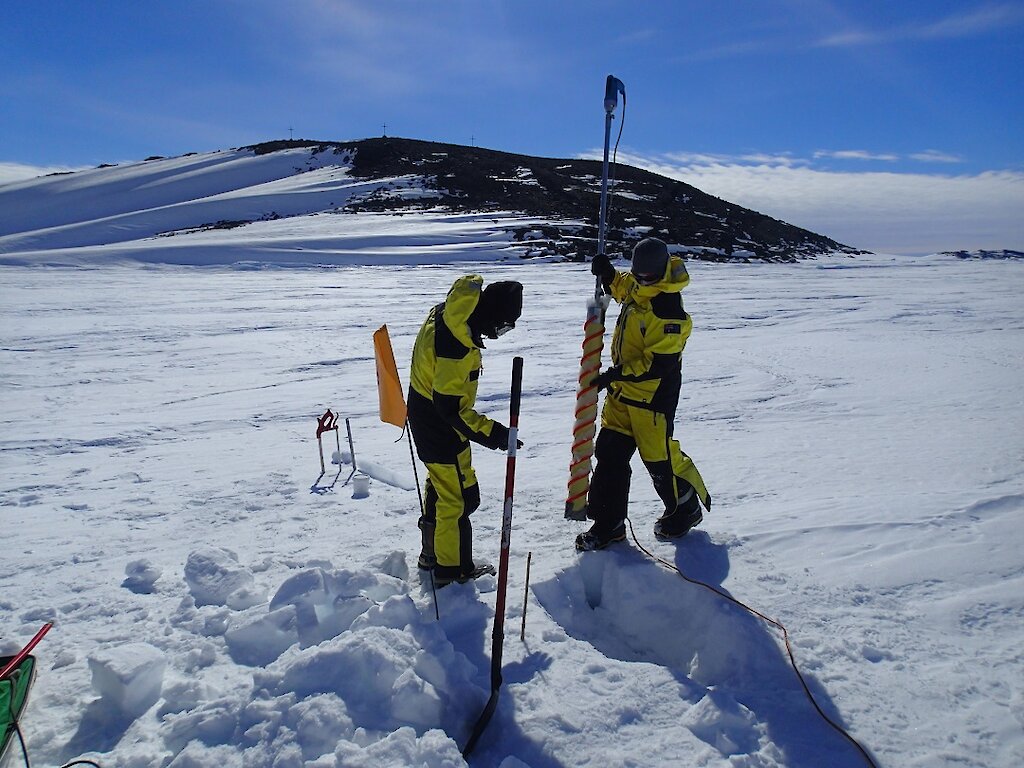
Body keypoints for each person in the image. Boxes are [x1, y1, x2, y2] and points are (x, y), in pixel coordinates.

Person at [576, 237, 711, 551]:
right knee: (609, 454)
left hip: (652, 400)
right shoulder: (638, 285)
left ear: (662, 271)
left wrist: (611, 375)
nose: (643, 281)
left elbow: (657, 365)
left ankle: (685, 507)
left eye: (649, 277)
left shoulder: (669, 311)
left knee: (659, 462)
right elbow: (625, 288)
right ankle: (609, 525)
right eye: (639, 276)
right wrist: (609, 275)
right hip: (623, 396)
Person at [408, 275, 524, 586]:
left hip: (425, 417)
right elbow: (451, 411)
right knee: (460, 501)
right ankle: (452, 570)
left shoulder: (451, 313)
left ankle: (431, 553)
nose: (498, 335)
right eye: (502, 326)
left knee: (446, 489)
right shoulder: (456, 347)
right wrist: (496, 434)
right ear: (489, 312)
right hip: (440, 428)